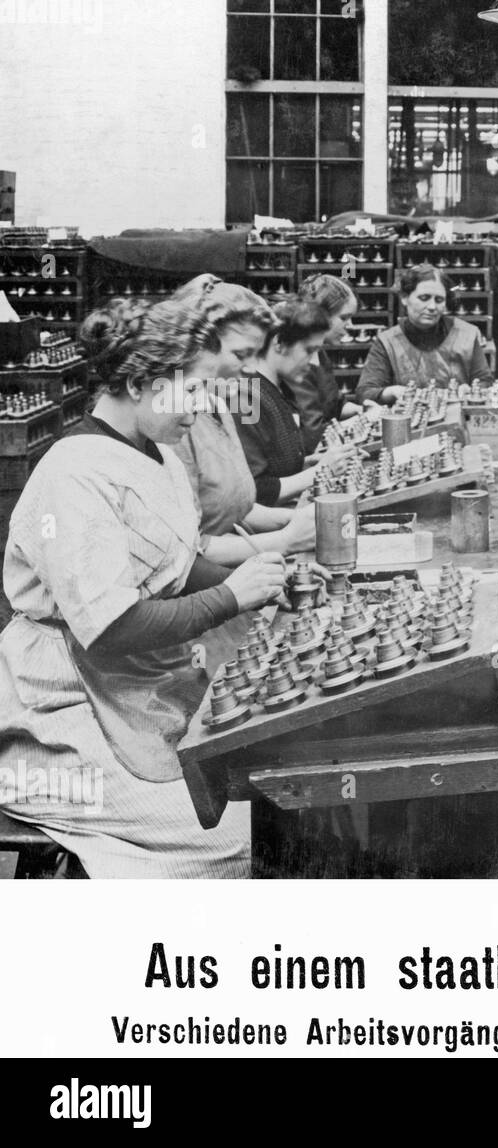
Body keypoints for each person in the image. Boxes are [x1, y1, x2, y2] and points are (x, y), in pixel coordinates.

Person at [0, 298, 288, 877]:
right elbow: (111, 628)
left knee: (265, 796)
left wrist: (265, 574)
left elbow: (177, 570)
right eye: (196, 389)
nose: (208, 405)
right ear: (139, 381)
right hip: (58, 713)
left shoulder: (158, 456)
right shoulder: (74, 471)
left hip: (140, 688)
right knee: (234, 836)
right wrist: (231, 597)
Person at [170, 276, 316, 562]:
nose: (251, 368)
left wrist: (292, 521)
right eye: (240, 354)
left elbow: (237, 507)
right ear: (198, 344)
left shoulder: (219, 405)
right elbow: (185, 551)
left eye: (256, 354)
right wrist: (285, 540)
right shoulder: (173, 424)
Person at [234, 298, 353, 506]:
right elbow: (256, 491)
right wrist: (321, 471)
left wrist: (307, 464)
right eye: (309, 351)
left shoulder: (278, 389)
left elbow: (276, 467)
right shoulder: (246, 397)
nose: (315, 362)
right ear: (279, 343)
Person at [356, 264, 494, 403]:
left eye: (439, 300)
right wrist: (392, 391)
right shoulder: (387, 342)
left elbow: (485, 382)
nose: (432, 307)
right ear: (404, 298)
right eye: (424, 298)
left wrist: (471, 389)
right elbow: (365, 393)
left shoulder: (466, 334)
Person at [294, 273, 364, 452]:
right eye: (344, 318)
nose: (351, 326)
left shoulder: (320, 353)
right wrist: (362, 421)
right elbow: (309, 434)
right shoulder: (293, 363)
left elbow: (334, 405)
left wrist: (360, 411)